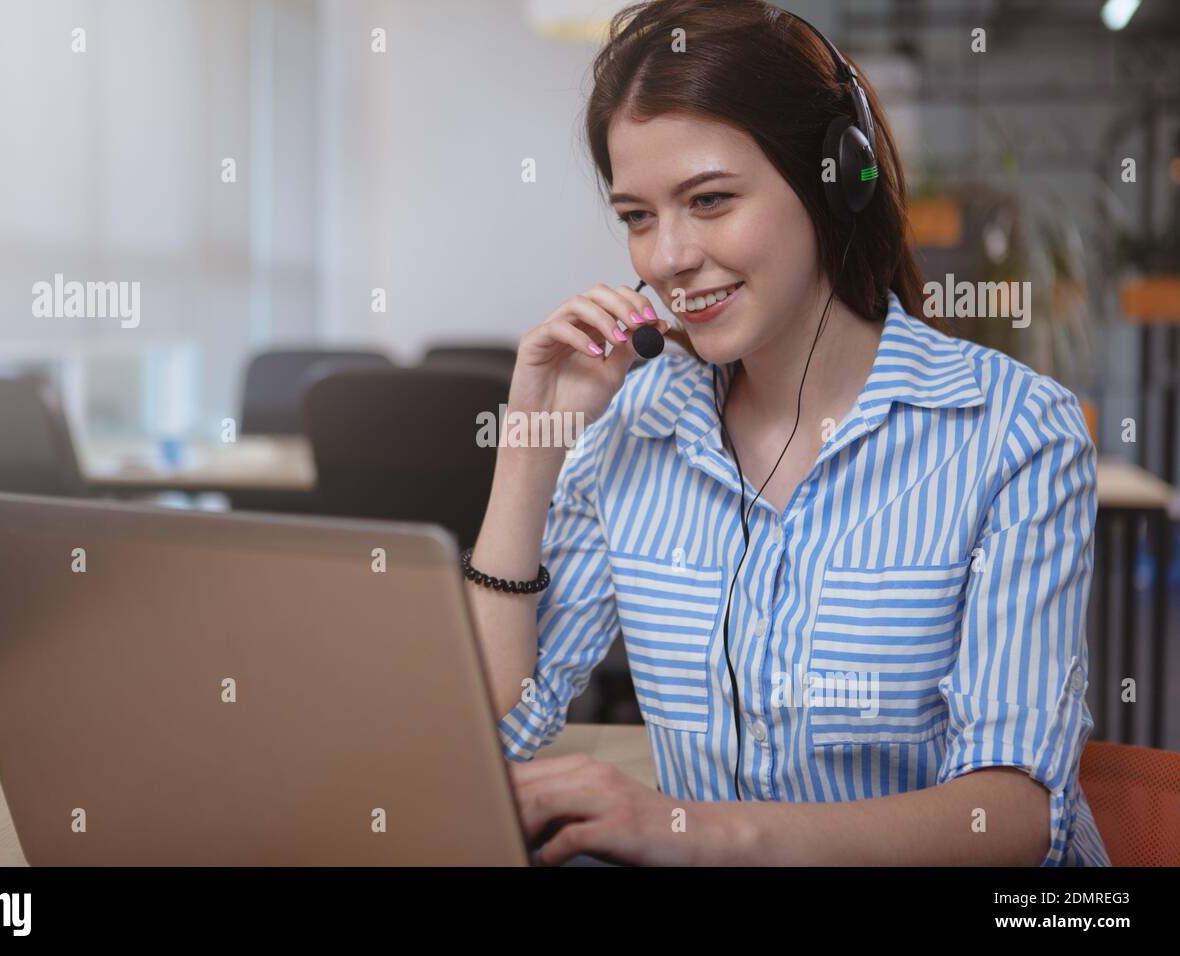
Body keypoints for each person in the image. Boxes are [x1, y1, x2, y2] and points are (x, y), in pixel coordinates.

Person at [463, 0, 1109, 866]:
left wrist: (688, 831)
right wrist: (528, 452)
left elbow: (1014, 817)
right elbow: (488, 743)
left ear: (834, 183)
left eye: (711, 199)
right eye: (637, 216)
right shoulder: (638, 424)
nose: (667, 258)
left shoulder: (1013, 434)